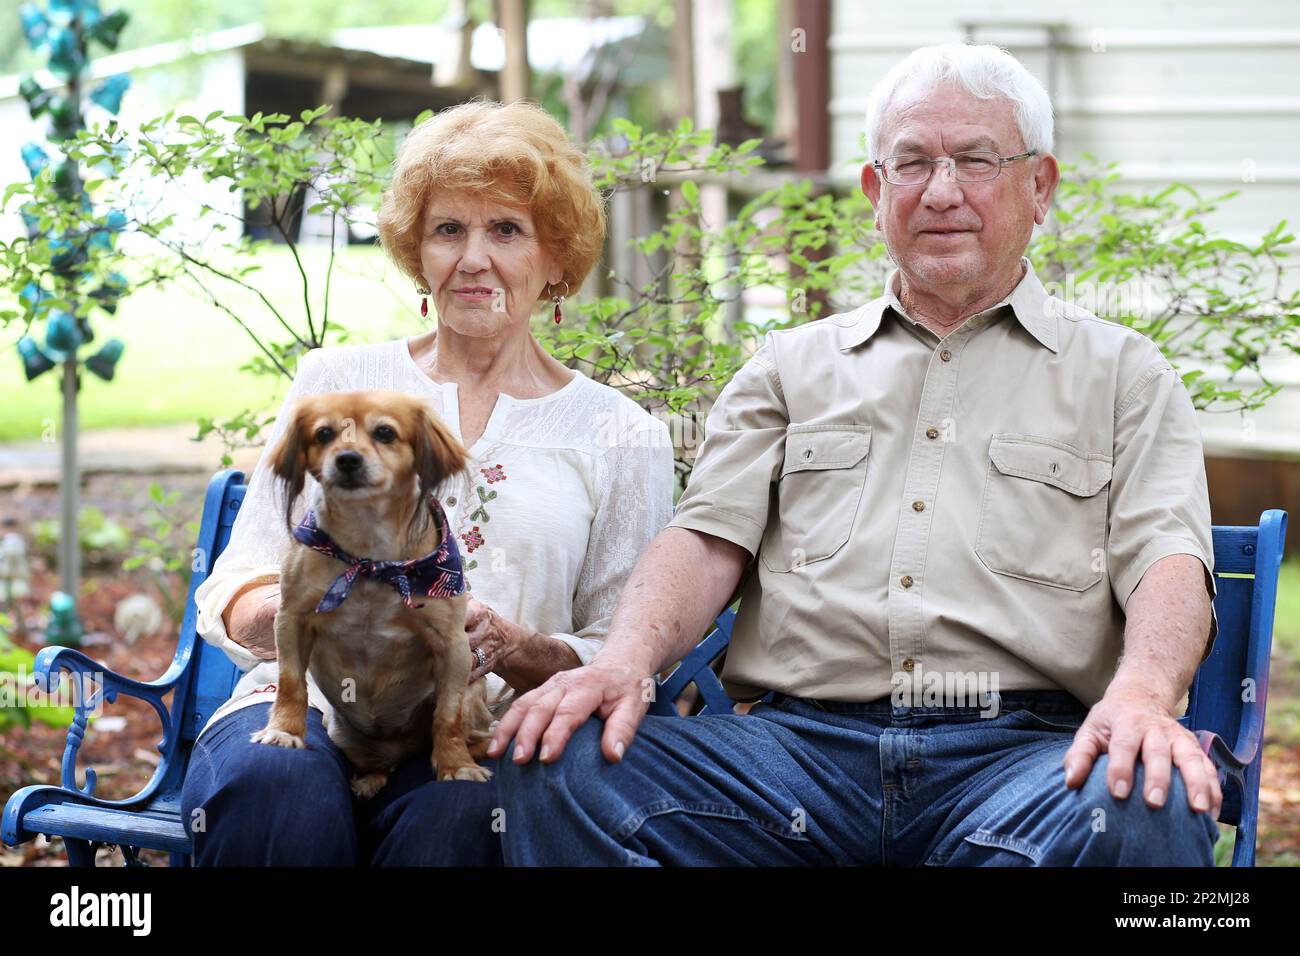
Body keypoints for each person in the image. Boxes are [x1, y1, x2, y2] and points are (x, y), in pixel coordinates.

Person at [490, 43, 1224, 866]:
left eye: (977, 161)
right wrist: (621, 662)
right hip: (792, 759)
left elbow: (1168, 558)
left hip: (1023, 762)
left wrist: (1142, 698)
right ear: (876, 192)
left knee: (1145, 807)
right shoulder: (790, 367)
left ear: (1040, 186)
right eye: (911, 164)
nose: (942, 192)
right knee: (559, 764)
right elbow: (704, 539)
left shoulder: (1124, 374)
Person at [180, 100, 674, 866]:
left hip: (482, 730)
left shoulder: (619, 431)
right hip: (305, 709)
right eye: (449, 230)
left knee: (461, 819)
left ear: (555, 257)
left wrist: (513, 645)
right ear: (420, 250)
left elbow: (623, 654)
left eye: (505, 230)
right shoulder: (338, 381)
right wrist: (316, 612)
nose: (473, 258)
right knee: (277, 784)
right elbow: (236, 584)